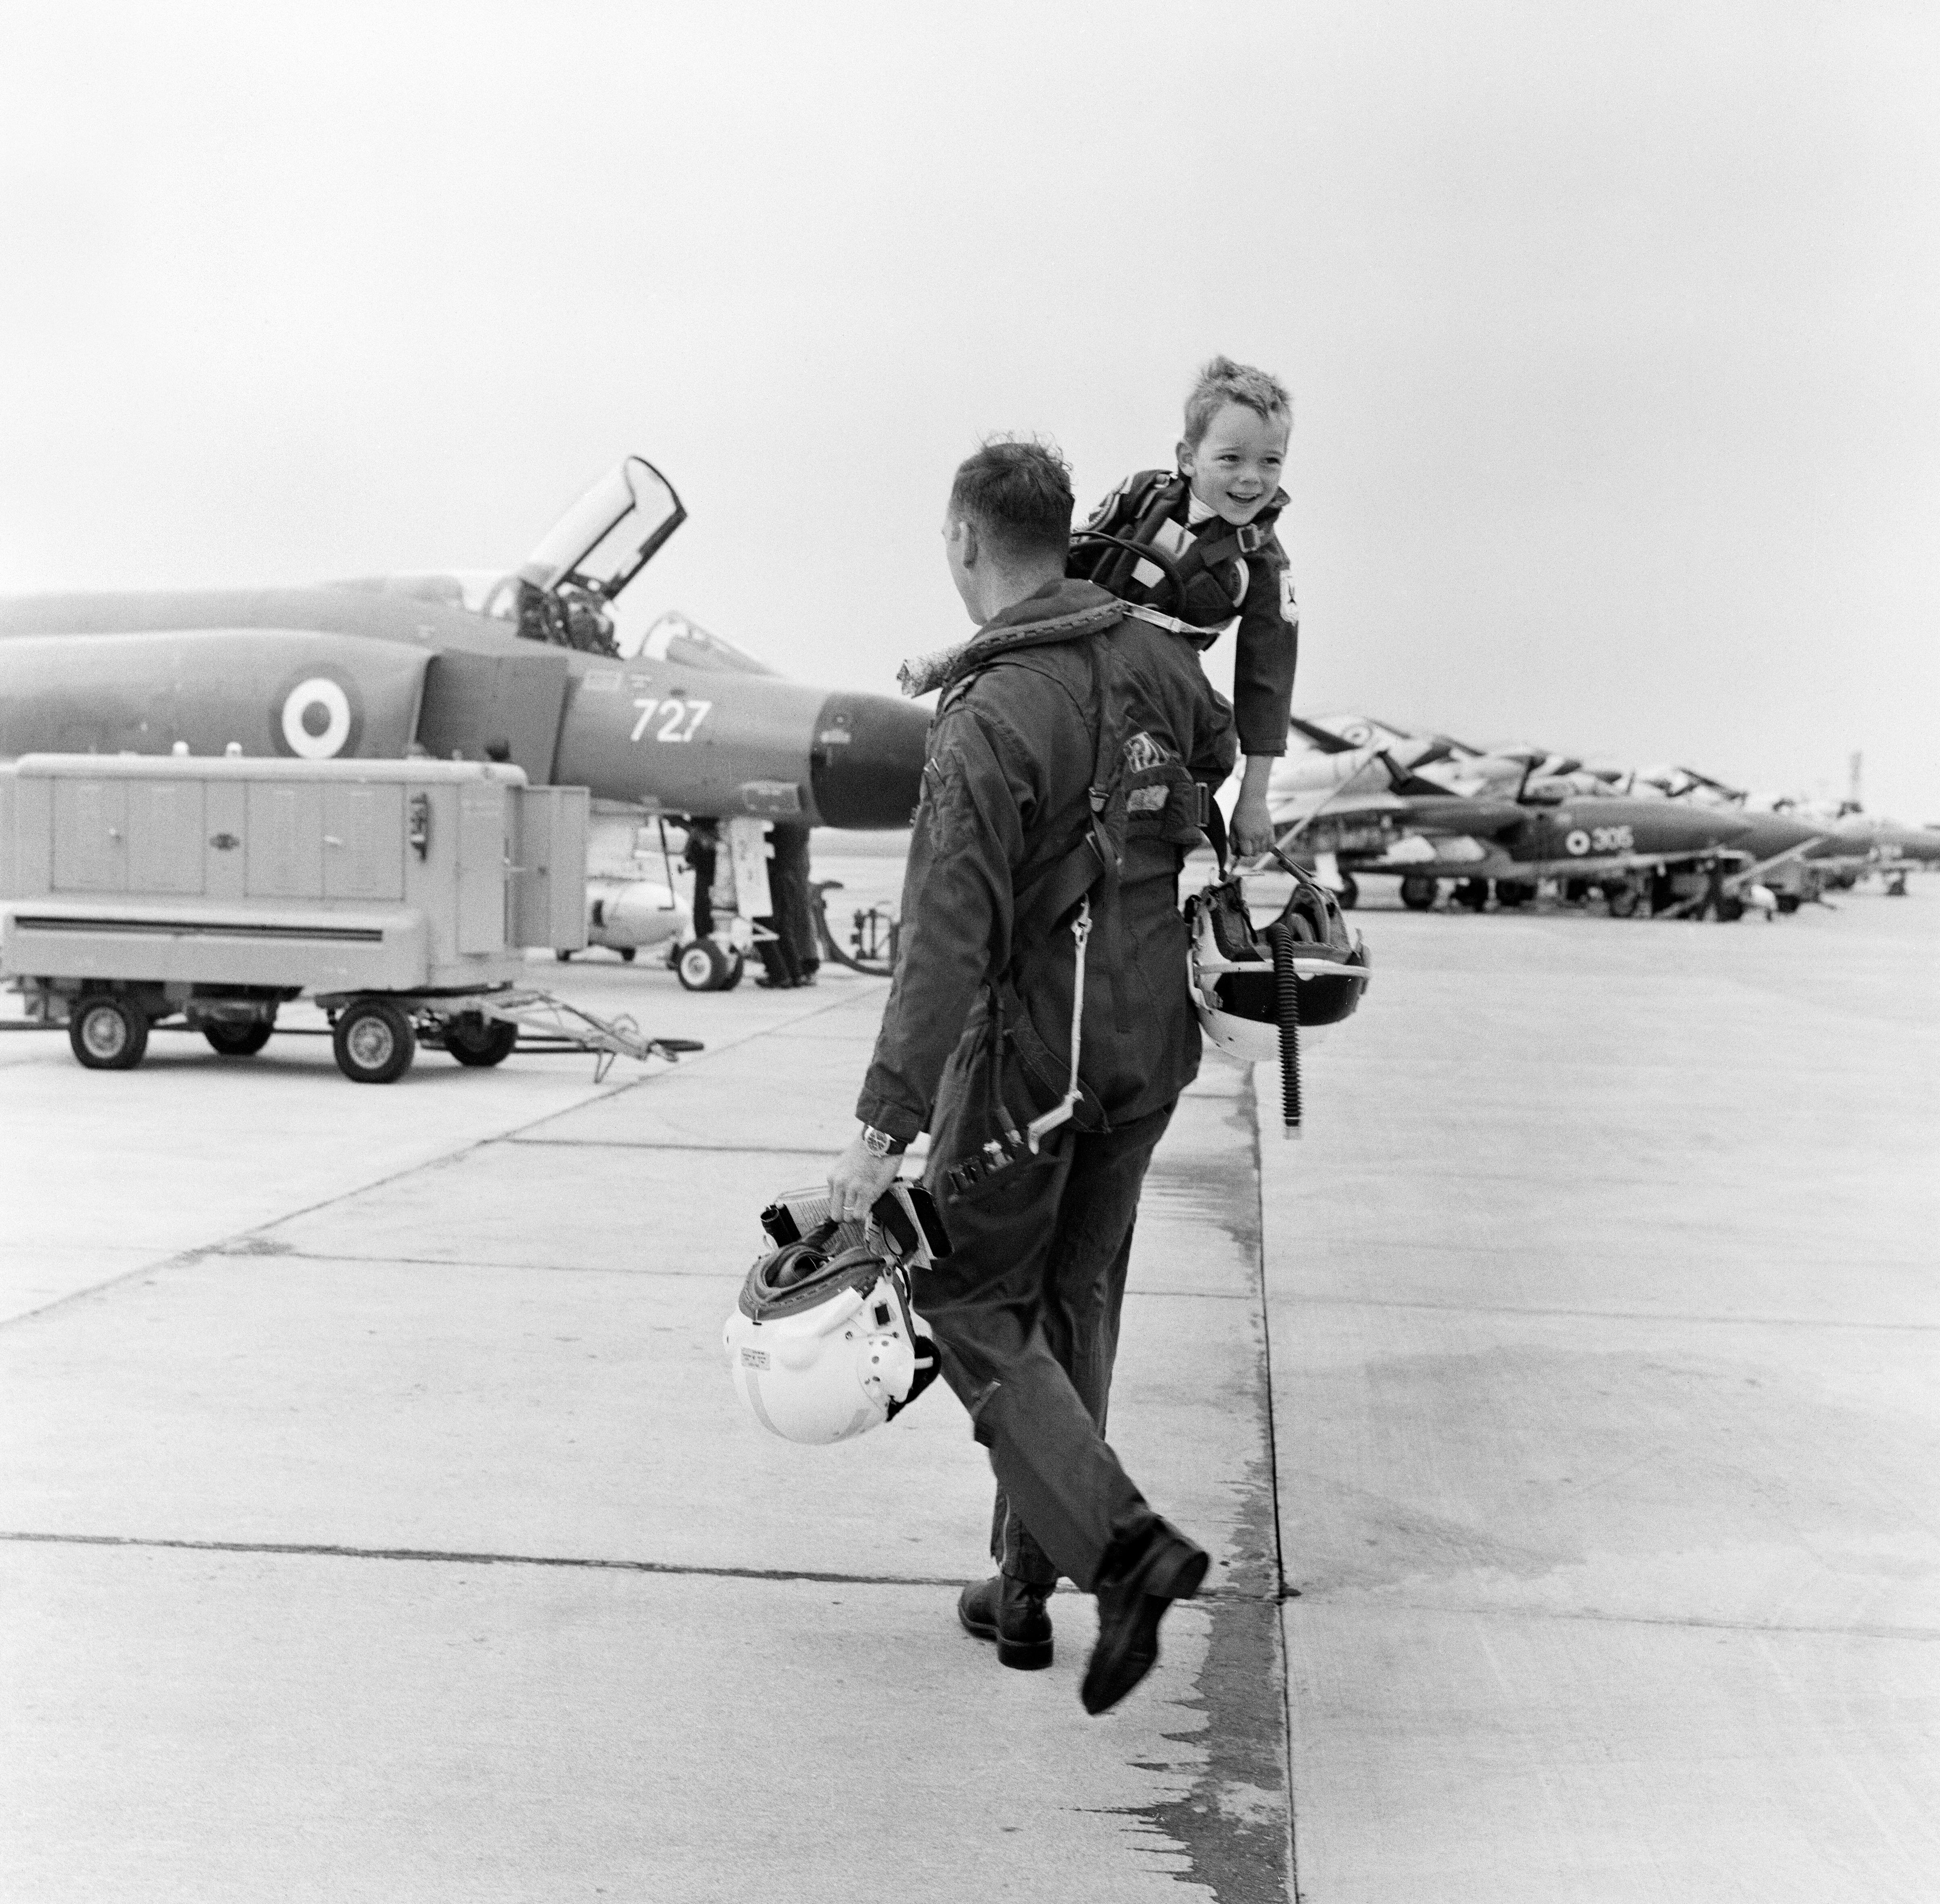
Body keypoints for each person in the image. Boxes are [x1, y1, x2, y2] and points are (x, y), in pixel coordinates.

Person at [826, 438, 1237, 1715]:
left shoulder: (987, 715)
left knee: (959, 1297)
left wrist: (878, 1136)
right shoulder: (1165, 658)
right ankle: (1021, 1593)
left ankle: (1123, 1552)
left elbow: (944, 944)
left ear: (963, 541)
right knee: (1075, 1310)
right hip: (1147, 1050)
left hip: (1030, 1066)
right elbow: (1217, 755)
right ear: (1062, 537)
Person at [1069, 355, 1297, 859]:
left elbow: (1268, 687)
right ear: (1189, 457)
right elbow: (1068, 565)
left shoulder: (1263, 566)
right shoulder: (1140, 496)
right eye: (1231, 458)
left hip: (1160, 694)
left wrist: (1253, 800)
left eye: (1270, 461)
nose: (1251, 479)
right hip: (1081, 661)